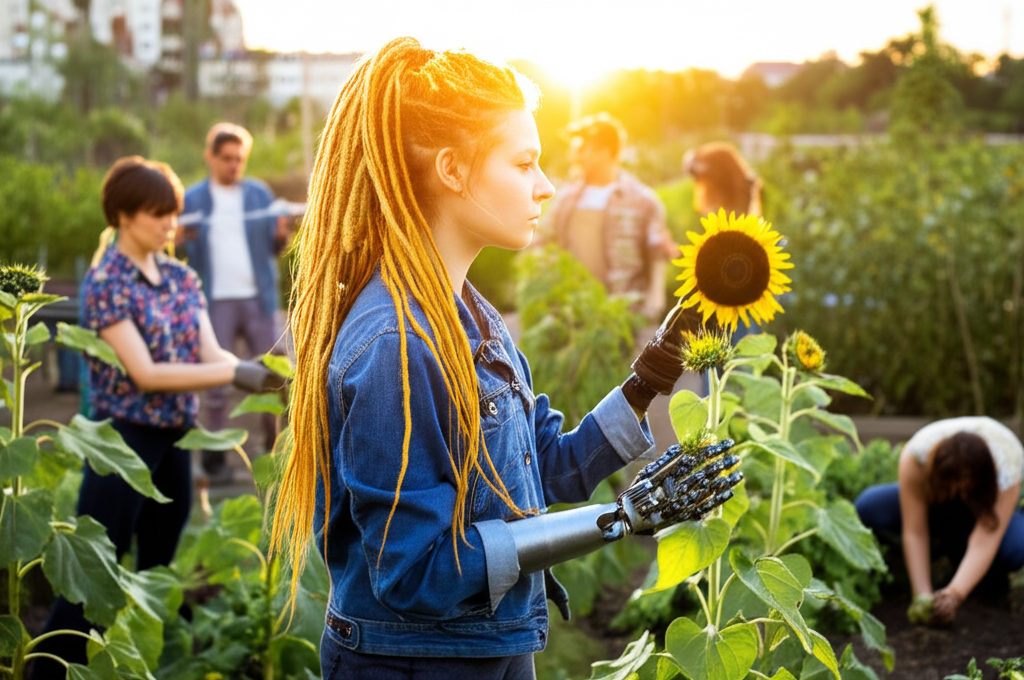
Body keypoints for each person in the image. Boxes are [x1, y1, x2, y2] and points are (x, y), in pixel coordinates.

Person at [267, 37, 741, 680]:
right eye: (523, 164)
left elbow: (539, 473)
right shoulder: (397, 346)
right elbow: (415, 572)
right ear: (452, 170)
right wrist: (618, 518)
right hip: (417, 664)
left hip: (492, 647)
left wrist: (647, 379)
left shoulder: (471, 315)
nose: (545, 187)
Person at [30, 156, 283, 678]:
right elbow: (144, 373)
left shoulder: (180, 277)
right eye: (157, 214)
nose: (172, 225)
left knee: (158, 573)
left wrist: (263, 372)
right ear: (123, 215)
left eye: (174, 213)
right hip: (122, 442)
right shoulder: (107, 281)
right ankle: (50, 670)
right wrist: (238, 372)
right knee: (92, 575)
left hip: (175, 439)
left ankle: (135, 665)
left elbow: (210, 352)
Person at [179, 122, 292, 481]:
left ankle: (273, 450)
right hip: (214, 301)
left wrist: (280, 236)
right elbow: (180, 248)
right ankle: (215, 456)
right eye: (227, 158)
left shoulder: (259, 194)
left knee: (275, 374)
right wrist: (180, 238)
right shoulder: (193, 199)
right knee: (216, 379)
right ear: (210, 157)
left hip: (258, 298)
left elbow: (276, 249)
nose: (233, 165)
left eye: (239, 159)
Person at [855, 416, 1024, 626]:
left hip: (979, 512)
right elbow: (915, 531)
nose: (957, 490)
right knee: (868, 505)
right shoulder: (917, 455)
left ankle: (979, 573)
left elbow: (986, 537)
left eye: (963, 485)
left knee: (1017, 545)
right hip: (935, 508)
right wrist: (922, 597)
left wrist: (955, 594)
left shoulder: (1007, 463)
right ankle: (917, 558)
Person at [536, 112, 675, 322]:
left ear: (605, 151)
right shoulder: (565, 200)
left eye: (584, 148)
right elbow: (541, 242)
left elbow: (657, 252)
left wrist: (654, 303)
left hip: (625, 317)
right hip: (576, 315)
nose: (576, 155)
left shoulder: (643, 200)